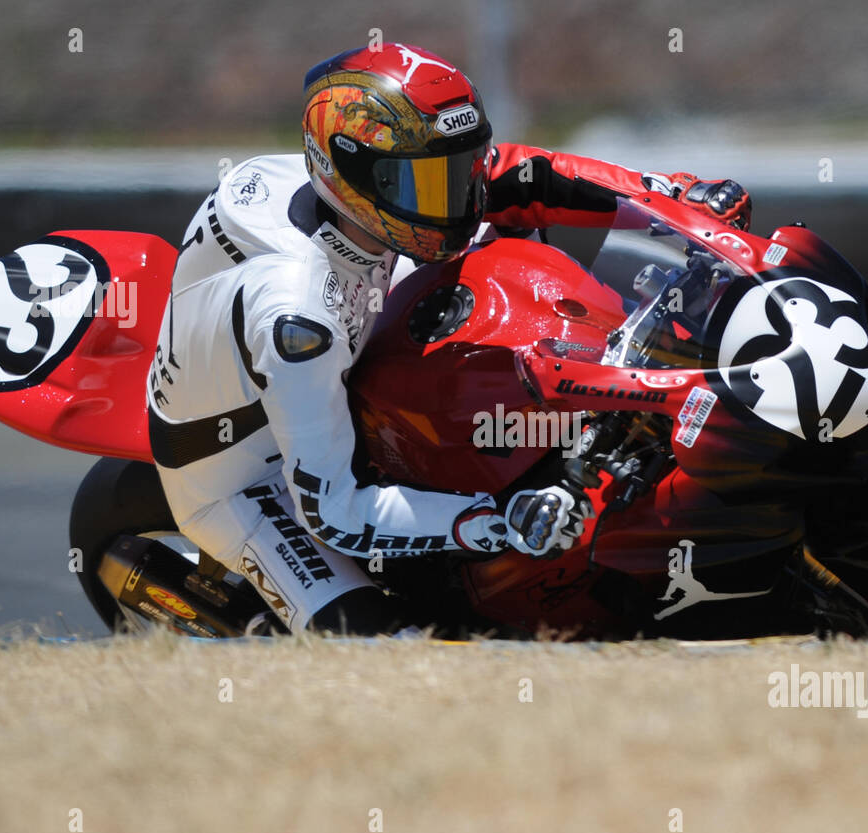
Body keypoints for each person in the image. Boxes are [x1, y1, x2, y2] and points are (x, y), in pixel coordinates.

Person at [146, 42, 752, 634]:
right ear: (353, 173)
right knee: (386, 651)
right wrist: (494, 519)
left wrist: (673, 197)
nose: (461, 199)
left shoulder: (348, 207)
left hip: (333, 359)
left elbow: (519, 173)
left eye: (458, 171)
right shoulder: (300, 320)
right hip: (251, 470)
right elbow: (330, 507)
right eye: (428, 185)